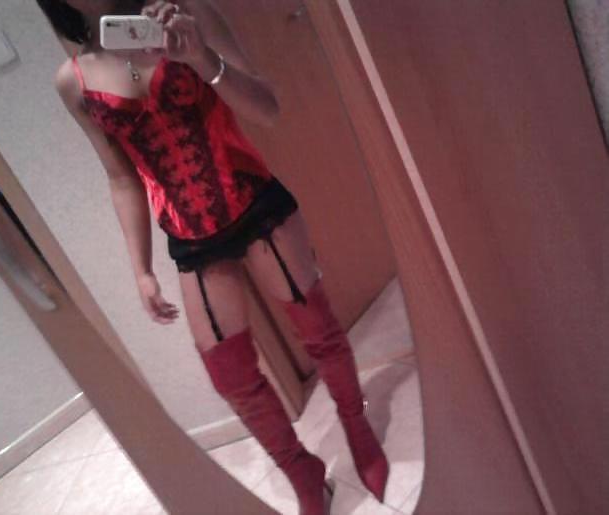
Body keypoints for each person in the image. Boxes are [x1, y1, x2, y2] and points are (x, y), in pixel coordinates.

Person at [37, 1, 389, 513]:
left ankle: (357, 428)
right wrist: (140, 269)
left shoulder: (187, 14)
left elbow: (268, 108)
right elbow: (120, 177)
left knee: (320, 331)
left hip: (255, 201)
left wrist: (201, 58)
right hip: (191, 236)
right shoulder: (72, 82)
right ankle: (302, 471)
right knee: (232, 378)